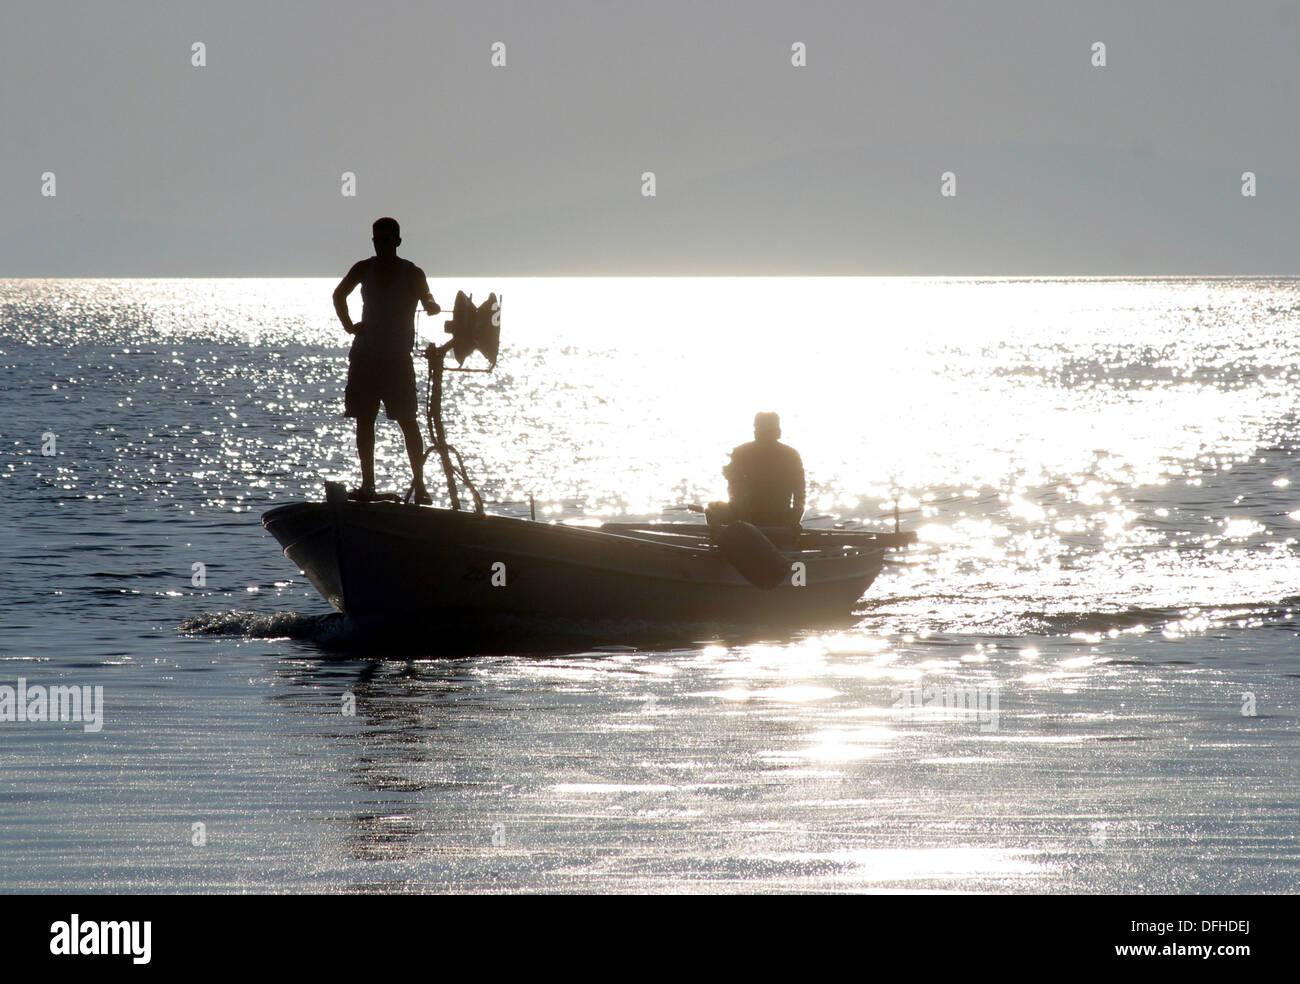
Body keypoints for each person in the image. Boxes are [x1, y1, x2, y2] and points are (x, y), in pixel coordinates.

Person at [332, 217, 440, 504]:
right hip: (365, 356)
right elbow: (339, 294)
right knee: (364, 421)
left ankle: (420, 486)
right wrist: (348, 325)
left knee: (407, 421)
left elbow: (426, 295)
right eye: (377, 241)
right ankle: (368, 487)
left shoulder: (412, 273)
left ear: (398, 242)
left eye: (387, 241)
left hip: (396, 360)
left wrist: (430, 306)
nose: (381, 246)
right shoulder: (362, 268)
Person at [719, 412, 805, 528]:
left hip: (750, 515)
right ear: (777, 430)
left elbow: (734, 490)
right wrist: (794, 518)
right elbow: (800, 493)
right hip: (778, 515)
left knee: (713, 509)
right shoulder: (791, 454)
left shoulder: (740, 452)